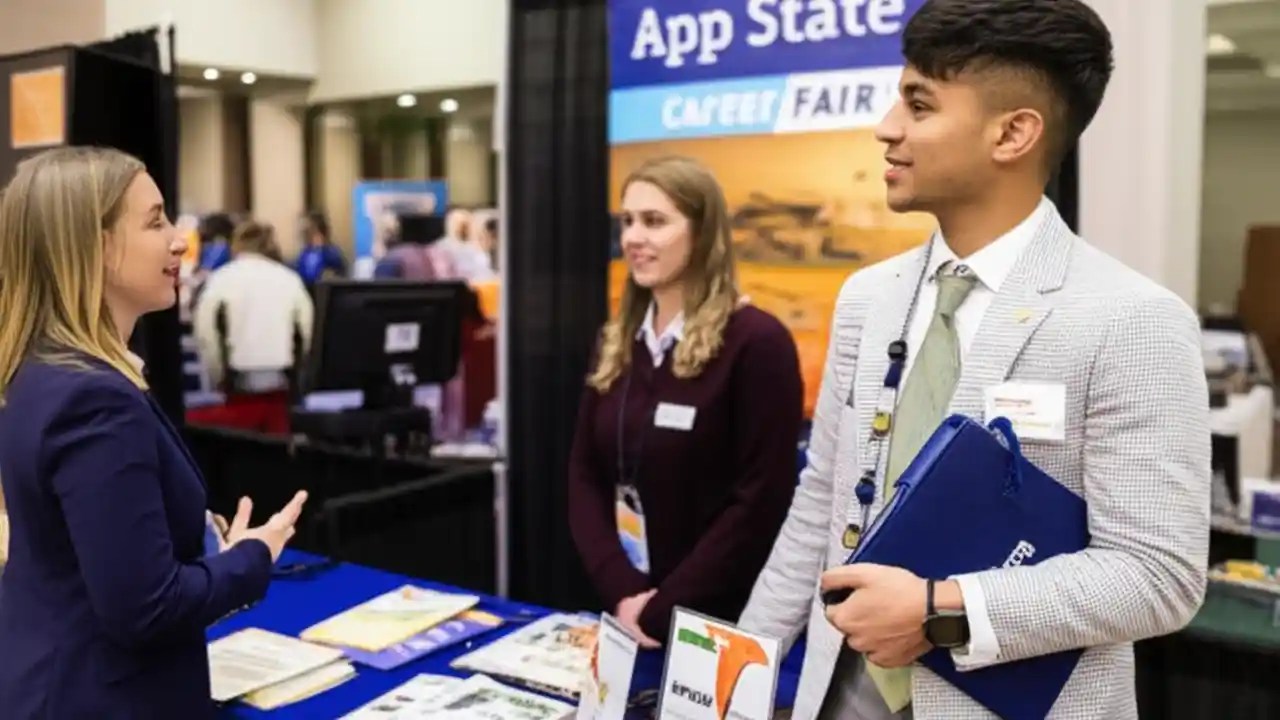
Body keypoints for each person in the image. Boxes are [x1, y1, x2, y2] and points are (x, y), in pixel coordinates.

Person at [738, 2, 1211, 718]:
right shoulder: (869, 297)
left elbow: (1159, 575)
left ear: (1014, 132)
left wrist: (941, 610)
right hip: (840, 695)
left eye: (919, 104)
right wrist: (740, 672)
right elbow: (822, 504)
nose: (887, 128)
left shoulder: (1133, 321)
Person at [0, 147, 308, 718]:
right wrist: (252, 557)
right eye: (155, 221)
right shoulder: (92, 398)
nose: (178, 241)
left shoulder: (44, 371)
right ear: (93, 246)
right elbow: (146, 610)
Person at [568, 155, 804, 646]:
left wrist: (664, 608)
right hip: (625, 613)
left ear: (703, 233)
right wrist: (623, 591)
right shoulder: (617, 340)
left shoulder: (757, 343)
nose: (634, 237)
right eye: (628, 221)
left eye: (654, 221)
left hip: (716, 624)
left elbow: (760, 502)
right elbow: (585, 475)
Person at [191, 220, 314, 434]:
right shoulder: (290, 279)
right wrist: (301, 373)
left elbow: (205, 335)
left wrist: (217, 375)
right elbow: (308, 330)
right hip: (282, 386)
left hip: (237, 386)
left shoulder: (220, 279)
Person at [294, 210, 346, 287]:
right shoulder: (305, 253)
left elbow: (338, 274)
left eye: (309, 229)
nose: (305, 233)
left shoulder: (332, 254)